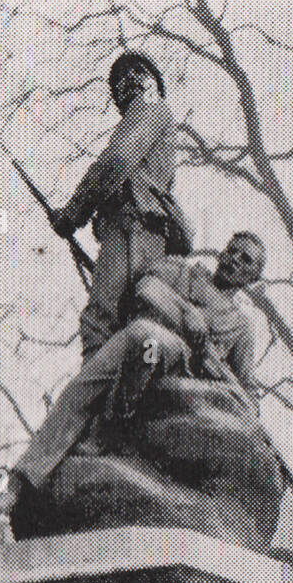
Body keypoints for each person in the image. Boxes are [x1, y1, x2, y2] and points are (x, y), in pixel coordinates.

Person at [0, 232, 267, 507]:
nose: (235, 260)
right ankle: (18, 485)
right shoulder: (181, 271)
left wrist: (241, 398)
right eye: (232, 251)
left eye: (246, 260)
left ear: (253, 278)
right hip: (135, 340)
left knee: (149, 338)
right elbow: (146, 289)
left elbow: (246, 387)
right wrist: (186, 314)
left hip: (179, 364)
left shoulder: (239, 325)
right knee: (82, 387)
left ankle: (114, 425)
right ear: (222, 252)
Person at [49, 51, 192, 359]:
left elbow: (117, 160)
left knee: (100, 325)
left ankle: (92, 406)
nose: (124, 85)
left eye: (133, 74)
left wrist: (73, 215)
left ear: (150, 82)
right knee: (136, 332)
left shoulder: (151, 106)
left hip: (132, 232)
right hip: (146, 236)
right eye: (118, 82)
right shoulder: (156, 127)